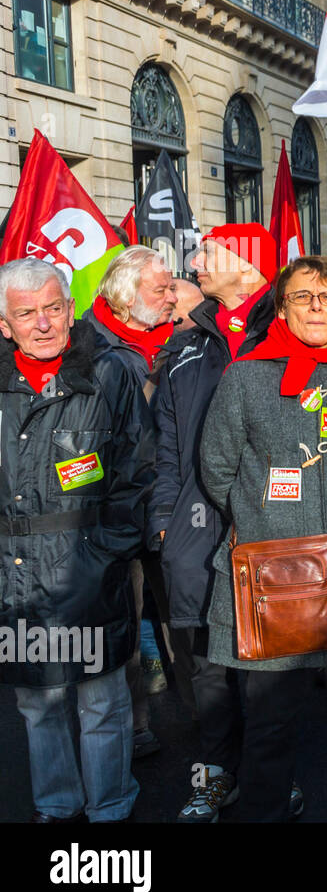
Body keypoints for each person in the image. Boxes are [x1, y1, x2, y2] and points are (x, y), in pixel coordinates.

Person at [199, 256, 327, 822]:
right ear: (282, 308)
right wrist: (271, 521)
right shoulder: (245, 376)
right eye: (302, 296)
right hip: (274, 573)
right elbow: (217, 468)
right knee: (270, 725)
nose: (316, 306)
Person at [0, 257, 155, 822]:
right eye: (25, 313)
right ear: (4, 324)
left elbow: (137, 474)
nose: (42, 323)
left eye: (52, 308)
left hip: (88, 573)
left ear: (70, 309)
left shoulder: (111, 373)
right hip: (15, 579)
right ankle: (57, 807)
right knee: (36, 703)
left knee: (100, 702)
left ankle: (111, 809)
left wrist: (103, 554)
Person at [148, 223, 277, 822]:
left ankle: (273, 776)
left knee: (269, 656)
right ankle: (217, 771)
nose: (196, 261)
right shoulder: (185, 348)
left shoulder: (287, 329)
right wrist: (165, 526)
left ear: (249, 268)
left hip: (273, 515)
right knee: (205, 657)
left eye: (211, 252)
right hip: (196, 524)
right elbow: (166, 447)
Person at [88, 246, 178, 760]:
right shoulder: (86, 346)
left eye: (171, 288)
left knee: (186, 623)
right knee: (123, 619)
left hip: (172, 505)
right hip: (117, 511)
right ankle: (134, 724)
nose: (171, 298)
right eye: (160, 289)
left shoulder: (185, 340)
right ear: (123, 302)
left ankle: (211, 732)